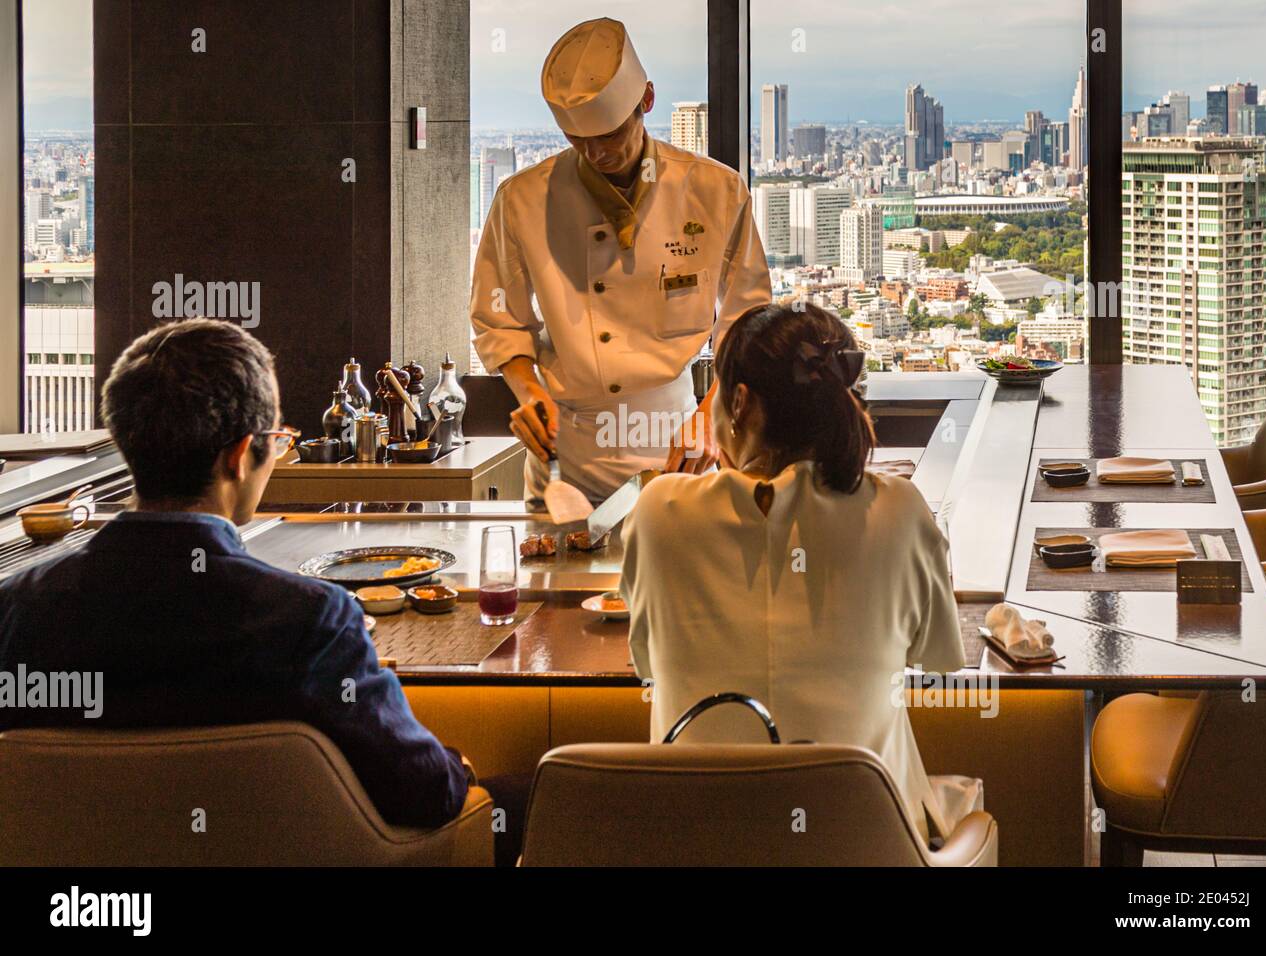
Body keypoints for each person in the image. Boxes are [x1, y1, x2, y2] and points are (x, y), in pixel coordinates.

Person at [0, 319, 468, 830]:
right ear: (241, 455)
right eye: (275, 438)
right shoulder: (310, 623)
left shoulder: (17, 611)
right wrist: (459, 770)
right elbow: (424, 793)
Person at [620, 303, 980, 842]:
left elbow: (647, 664)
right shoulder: (898, 510)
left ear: (739, 402)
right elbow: (938, 657)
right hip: (866, 844)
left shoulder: (658, 511)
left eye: (713, 389)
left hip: (696, 843)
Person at [471, 17, 771, 506]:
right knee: (558, 582)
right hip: (567, 453)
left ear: (646, 101)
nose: (595, 153)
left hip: (677, 443)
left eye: (608, 135)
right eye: (577, 140)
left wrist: (713, 412)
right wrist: (528, 392)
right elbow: (498, 318)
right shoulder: (522, 199)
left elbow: (748, 317)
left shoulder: (715, 191)